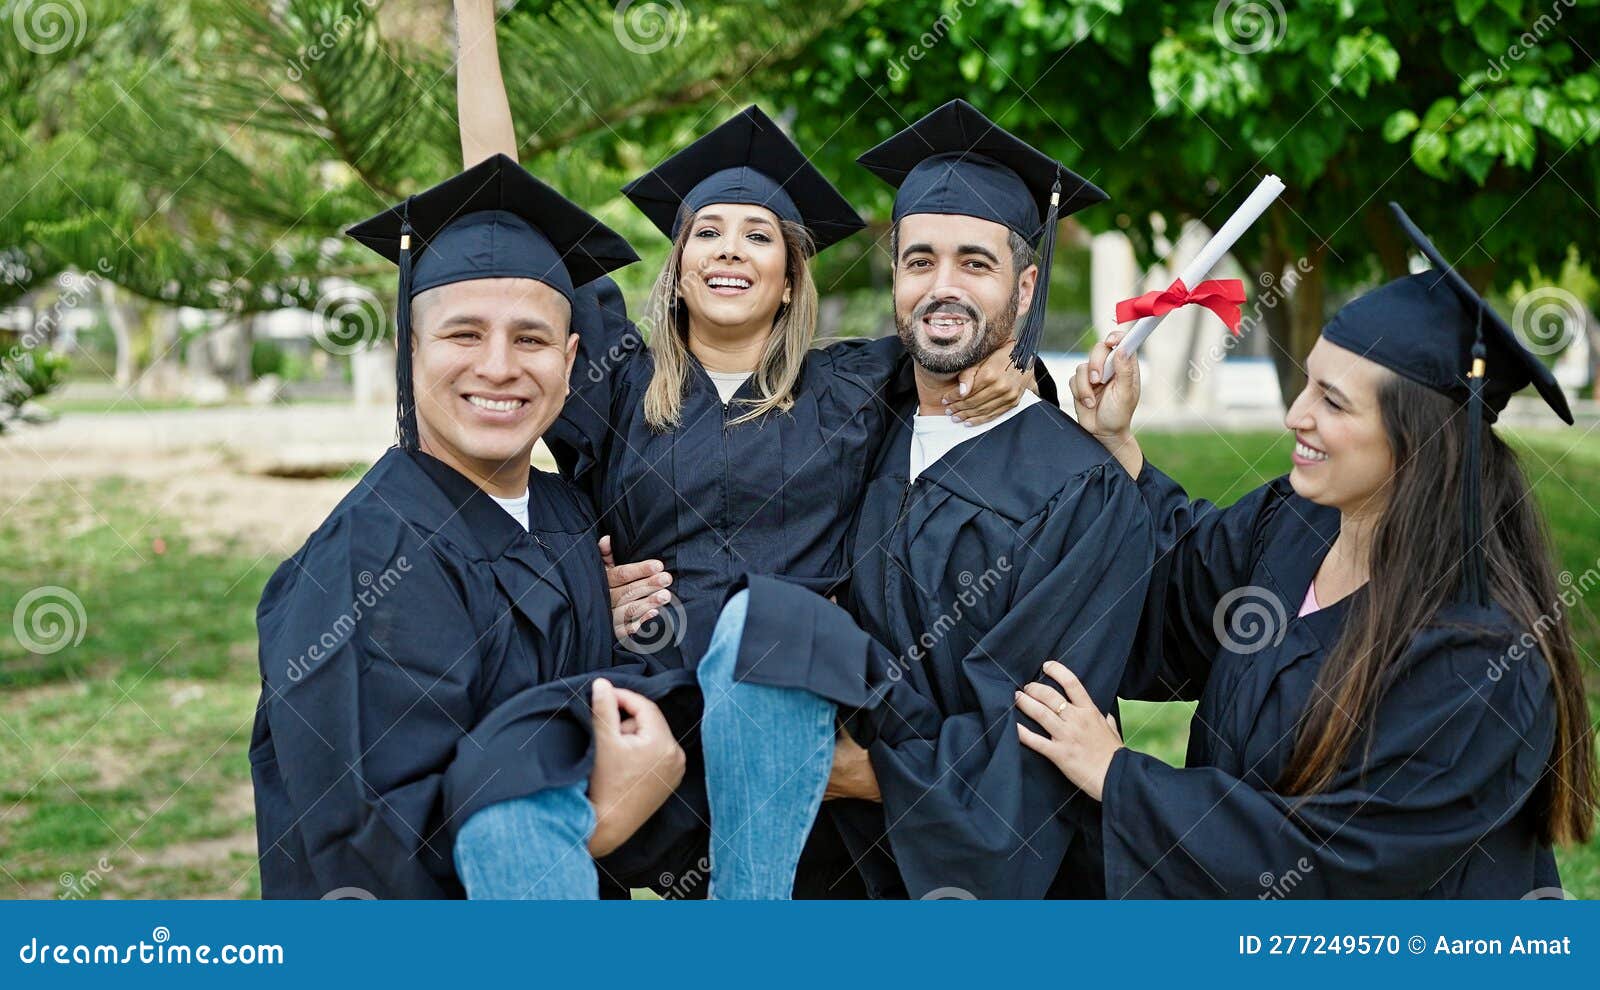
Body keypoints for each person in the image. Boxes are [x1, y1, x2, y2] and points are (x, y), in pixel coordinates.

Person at [1020, 202, 1597, 898]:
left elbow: (1336, 870)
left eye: (1333, 402)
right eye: (1306, 385)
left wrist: (1121, 778)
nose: (1297, 415)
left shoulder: (1478, 660)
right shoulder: (1300, 522)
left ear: (1417, 443)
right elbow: (1178, 584)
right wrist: (1117, 447)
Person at [454, 0, 1038, 679]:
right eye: (707, 233)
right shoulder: (616, 385)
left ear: (790, 279)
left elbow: (954, 333)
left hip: (794, 686)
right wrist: (473, 15)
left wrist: (1011, 364)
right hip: (645, 686)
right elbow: (502, 196)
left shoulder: (854, 387)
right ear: (676, 272)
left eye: (758, 236)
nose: (729, 251)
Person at [694, 100, 1156, 899]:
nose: (942, 288)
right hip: (821, 871)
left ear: (1026, 284)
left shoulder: (1082, 494)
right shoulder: (844, 427)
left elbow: (1028, 745)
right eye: (919, 261)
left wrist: (838, 770)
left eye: (975, 264)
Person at [250, 155, 699, 899]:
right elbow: (364, 851)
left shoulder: (566, 518)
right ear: (410, 349)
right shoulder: (365, 563)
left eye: (529, 339)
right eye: (464, 334)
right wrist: (600, 825)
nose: (498, 367)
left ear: (570, 357)